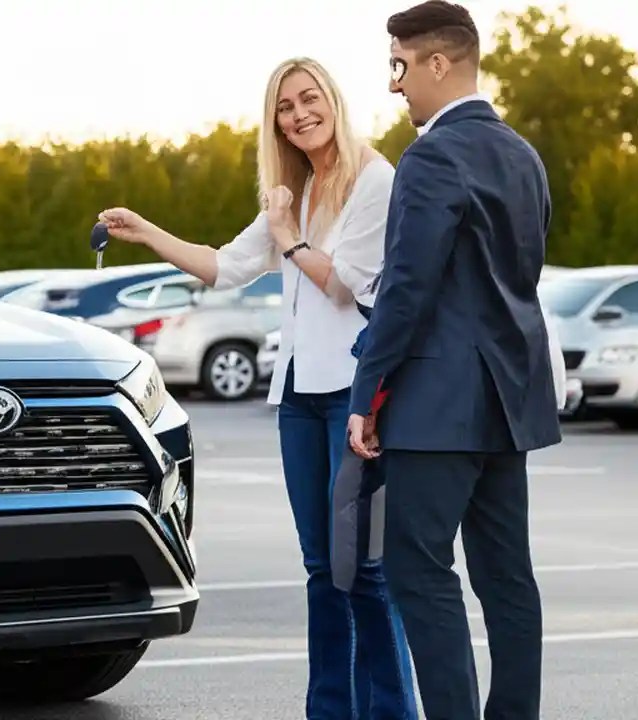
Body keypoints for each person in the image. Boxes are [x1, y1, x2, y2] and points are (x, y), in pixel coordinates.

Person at [98, 57, 417, 720]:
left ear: (332, 98)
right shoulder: (292, 191)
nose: (299, 114)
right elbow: (226, 266)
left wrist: (288, 236)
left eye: (308, 99)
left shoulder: (374, 179)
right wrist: (146, 231)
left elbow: (344, 281)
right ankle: (330, 712)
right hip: (297, 400)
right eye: (285, 107)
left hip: (359, 401)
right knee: (321, 571)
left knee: (365, 570)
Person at [346, 3, 561, 719]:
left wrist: (365, 395)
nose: (395, 85)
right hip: (509, 403)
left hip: (437, 408)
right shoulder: (523, 155)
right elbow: (520, 274)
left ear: (439, 63)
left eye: (400, 67)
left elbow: (409, 287)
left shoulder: (432, 156)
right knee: (507, 579)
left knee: (418, 571)